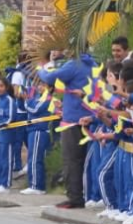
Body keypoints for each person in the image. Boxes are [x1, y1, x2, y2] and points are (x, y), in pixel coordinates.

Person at [37, 48, 96, 209]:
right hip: (91, 116)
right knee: (86, 161)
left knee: (71, 160)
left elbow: (49, 77)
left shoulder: (73, 65)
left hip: (73, 120)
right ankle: (90, 195)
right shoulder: (93, 64)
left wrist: (41, 69)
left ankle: (75, 197)